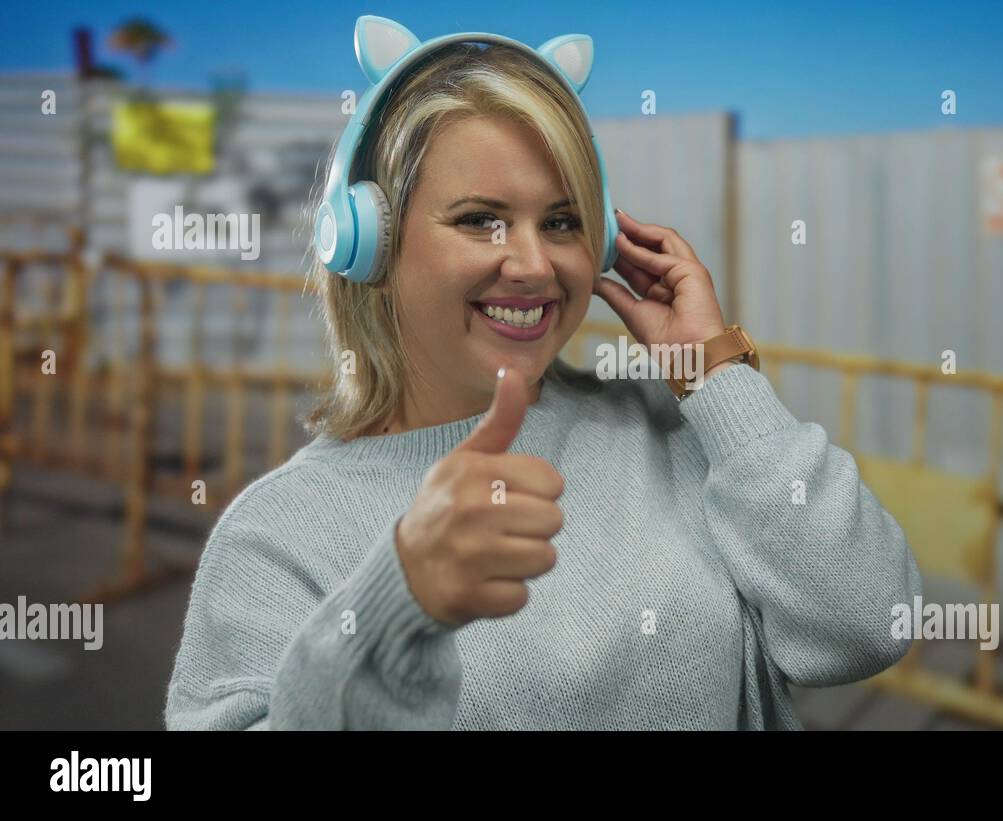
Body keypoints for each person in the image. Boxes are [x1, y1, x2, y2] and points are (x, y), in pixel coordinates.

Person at [164, 16, 922, 730]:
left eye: (560, 222)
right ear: (369, 244)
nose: (531, 264)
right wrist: (393, 602)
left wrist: (713, 370)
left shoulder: (667, 429)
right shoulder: (275, 537)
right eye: (480, 220)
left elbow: (867, 622)